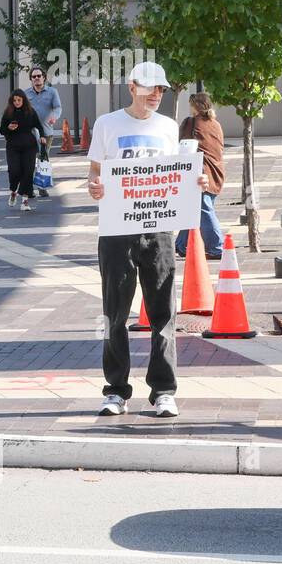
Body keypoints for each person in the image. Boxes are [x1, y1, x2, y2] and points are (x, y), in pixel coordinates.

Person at [87, 62, 208, 420]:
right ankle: (116, 391)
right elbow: (95, 173)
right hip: (116, 231)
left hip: (158, 232)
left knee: (163, 315)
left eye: (161, 89)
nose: (156, 94)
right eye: (150, 88)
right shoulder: (107, 124)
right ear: (132, 86)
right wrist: (95, 187)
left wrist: (196, 183)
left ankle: (164, 391)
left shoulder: (169, 127)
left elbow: (179, 173)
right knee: (115, 315)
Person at [177, 92, 225, 261]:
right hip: (216, 173)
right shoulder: (215, 124)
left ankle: (216, 247)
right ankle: (182, 245)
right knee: (192, 209)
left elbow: (183, 145)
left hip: (199, 173)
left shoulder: (191, 123)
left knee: (203, 209)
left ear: (194, 106)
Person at [0, 89, 42, 211]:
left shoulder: (30, 111)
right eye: (14, 100)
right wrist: (9, 127)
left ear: (23, 100)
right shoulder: (8, 112)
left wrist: (43, 137)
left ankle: (25, 201)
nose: (17, 102)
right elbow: (2, 130)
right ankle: (13, 190)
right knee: (14, 171)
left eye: (19, 100)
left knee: (28, 172)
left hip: (29, 145)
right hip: (13, 146)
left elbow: (39, 126)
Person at [26, 66, 62, 198]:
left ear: (44, 77)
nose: (36, 78)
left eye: (39, 76)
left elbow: (57, 107)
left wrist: (54, 117)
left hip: (46, 132)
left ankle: (42, 186)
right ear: (31, 79)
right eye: (34, 77)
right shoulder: (26, 94)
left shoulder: (52, 92)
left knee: (42, 159)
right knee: (29, 160)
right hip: (30, 133)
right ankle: (28, 188)